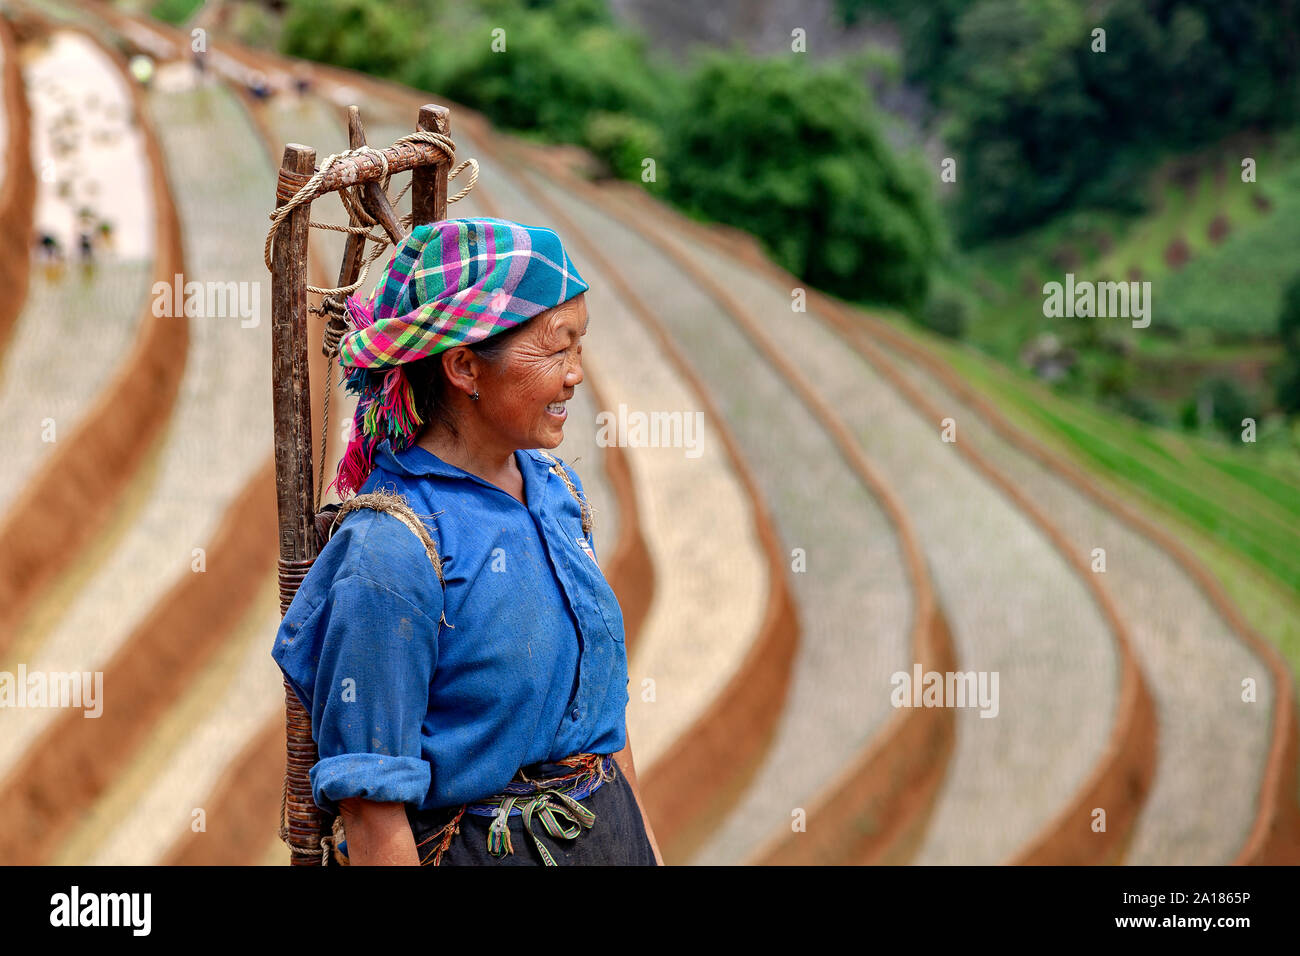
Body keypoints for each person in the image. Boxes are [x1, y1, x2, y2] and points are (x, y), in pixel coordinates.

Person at [272, 217, 663, 866]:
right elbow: (373, 819)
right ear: (462, 367)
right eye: (556, 349)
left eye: (580, 346)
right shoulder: (391, 551)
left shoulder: (555, 490)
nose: (576, 376)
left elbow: (605, 731)